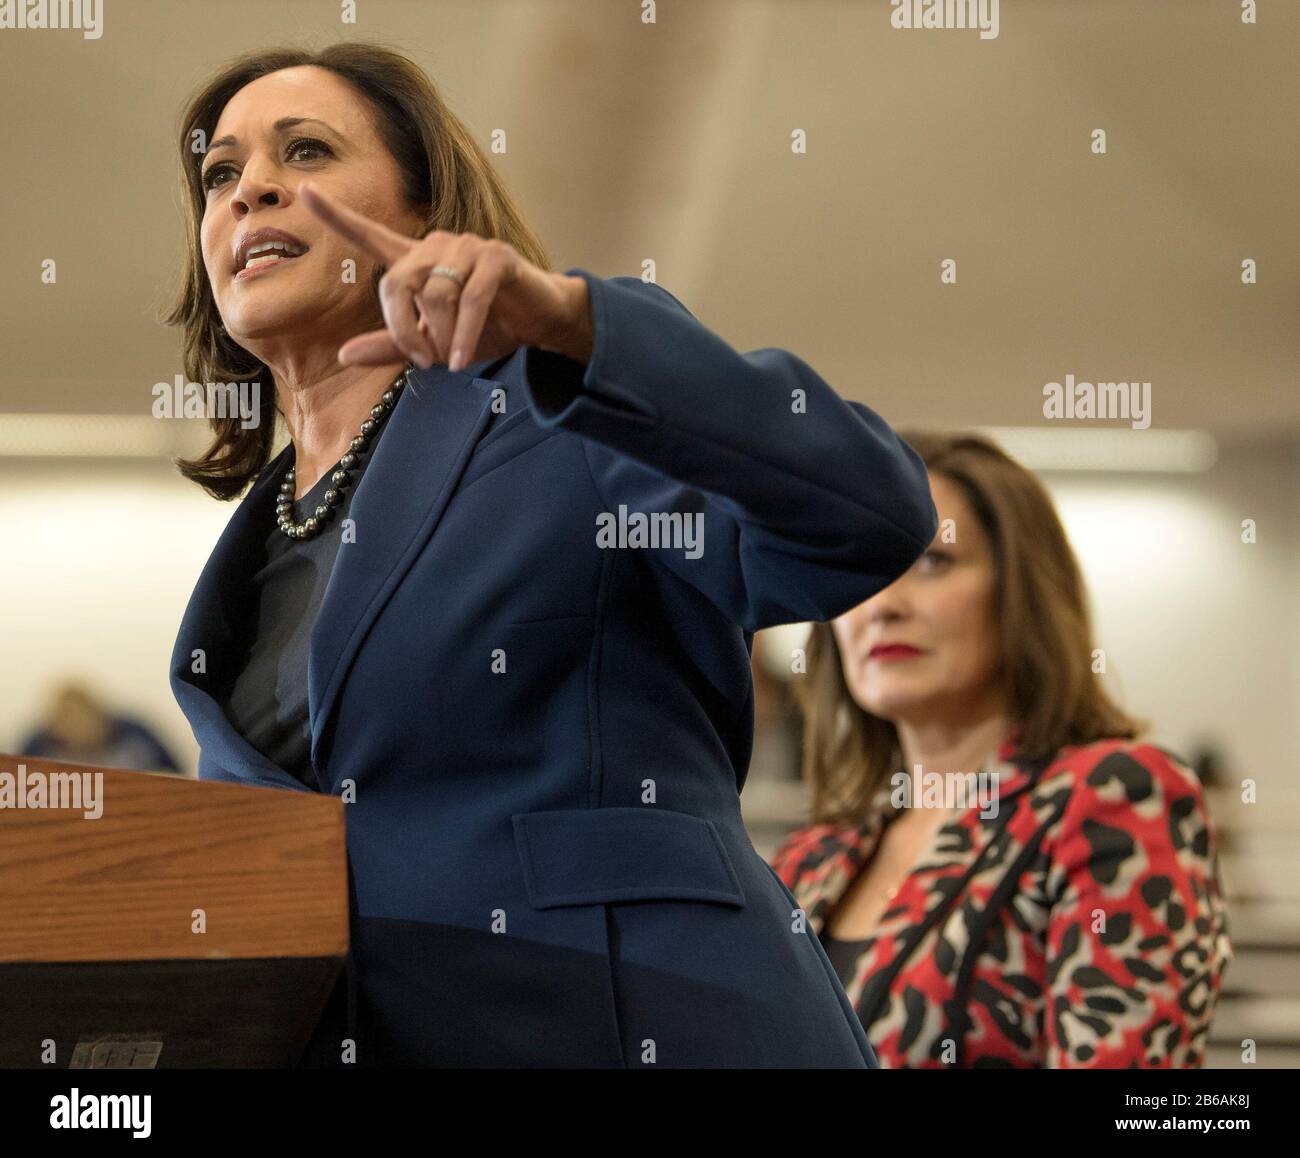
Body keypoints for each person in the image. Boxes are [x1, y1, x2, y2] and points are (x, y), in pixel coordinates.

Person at [164, 43, 937, 1067]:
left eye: (304, 151)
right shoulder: (255, 550)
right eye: (220, 174)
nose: (251, 186)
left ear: (421, 215)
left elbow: (865, 516)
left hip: (647, 1024)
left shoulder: (565, 413)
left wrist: (578, 330)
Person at [772, 431, 1231, 1067]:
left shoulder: (1111, 796)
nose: (883, 604)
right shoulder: (810, 857)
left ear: (1021, 590)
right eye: (863, 571)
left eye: (933, 562)